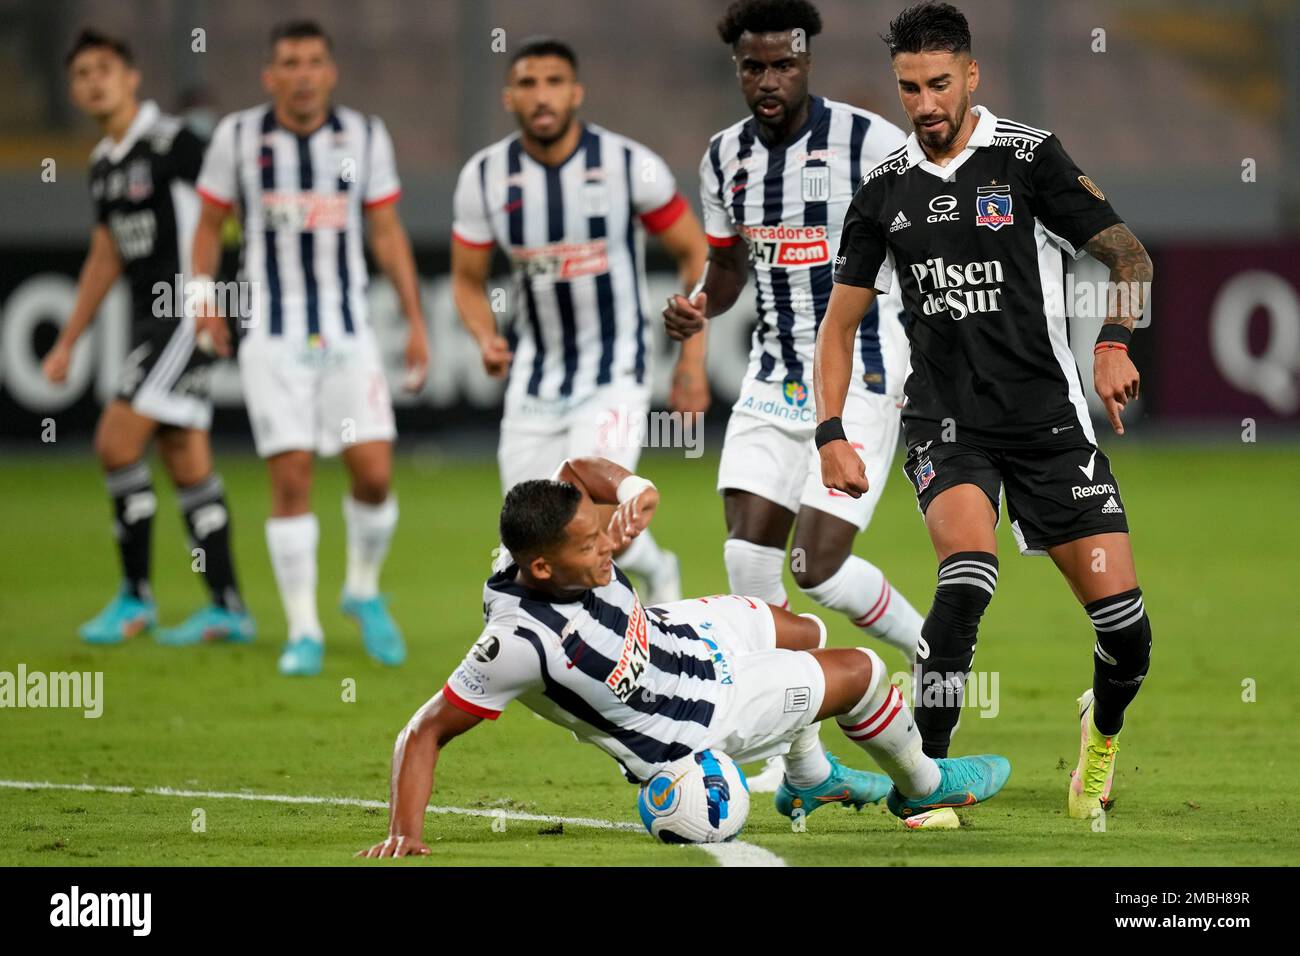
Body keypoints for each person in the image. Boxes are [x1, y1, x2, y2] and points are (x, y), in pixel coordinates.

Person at [816, 2, 1154, 819]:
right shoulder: (882, 190)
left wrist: (1112, 342)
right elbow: (838, 329)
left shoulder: (1028, 158)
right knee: (966, 580)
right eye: (909, 88)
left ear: (972, 75)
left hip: (1048, 425)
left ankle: (1100, 734)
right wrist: (829, 433)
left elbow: (1129, 256)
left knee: (1127, 633)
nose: (926, 103)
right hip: (946, 425)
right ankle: (924, 777)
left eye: (939, 83)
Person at [356, 456, 1010, 856]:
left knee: (805, 630)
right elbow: (423, 732)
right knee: (863, 673)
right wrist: (404, 832)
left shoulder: (533, 544)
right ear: (541, 566)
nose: (606, 546)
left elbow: (578, 472)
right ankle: (922, 788)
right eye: (587, 546)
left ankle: (809, 777)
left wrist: (632, 485)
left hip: (684, 635)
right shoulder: (516, 645)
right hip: (699, 720)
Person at [663, 0, 924, 793]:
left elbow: (928, 237)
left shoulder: (871, 142)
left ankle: (930, 646)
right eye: (753, 67)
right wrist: (699, 304)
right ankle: (803, 763)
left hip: (864, 372)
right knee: (746, 561)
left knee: (815, 567)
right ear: (737, 68)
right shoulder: (721, 158)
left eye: (783, 64)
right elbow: (731, 267)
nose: (768, 80)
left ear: (807, 62)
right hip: (773, 378)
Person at [190, 20, 429, 675]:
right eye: (289, 62)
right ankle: (304, 629)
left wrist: (415, 318)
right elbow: (208, 223)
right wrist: (200, 298)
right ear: (270, 75)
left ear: (330, 72)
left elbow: (384, 230)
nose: (302, 73)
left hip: (347, 332)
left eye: (314, 61)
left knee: (374, 473)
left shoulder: (364, 135)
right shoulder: (238, 136)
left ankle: (361, 588)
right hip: (271, 333)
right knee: (290, 478)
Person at [450, 37, 709, 605]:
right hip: (534, 381)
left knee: (583, 514)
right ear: (509, 97)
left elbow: (696, 252)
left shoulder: (626, 165)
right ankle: (657, 566)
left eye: (553, 82)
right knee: (531, 530)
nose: (541, 96)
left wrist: (691, 358)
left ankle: (617, 653)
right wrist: (485, 337)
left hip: (613, 373)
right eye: (528, 83)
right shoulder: (486, 176)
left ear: (575, 92)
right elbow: (467, 279)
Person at [44, 29, 252, 646]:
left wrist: (219, 299)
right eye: (81, 74)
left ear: (132, 76)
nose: (93, 81)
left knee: (115, 441)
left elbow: (226, 218)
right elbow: (105, 256)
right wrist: (69, 340)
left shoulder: (176, 144)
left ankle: (135, 599)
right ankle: (228, 607)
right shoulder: (106, 164)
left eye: (104, 68)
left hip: (187, 313)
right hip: (151, 319)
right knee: (185, 456)